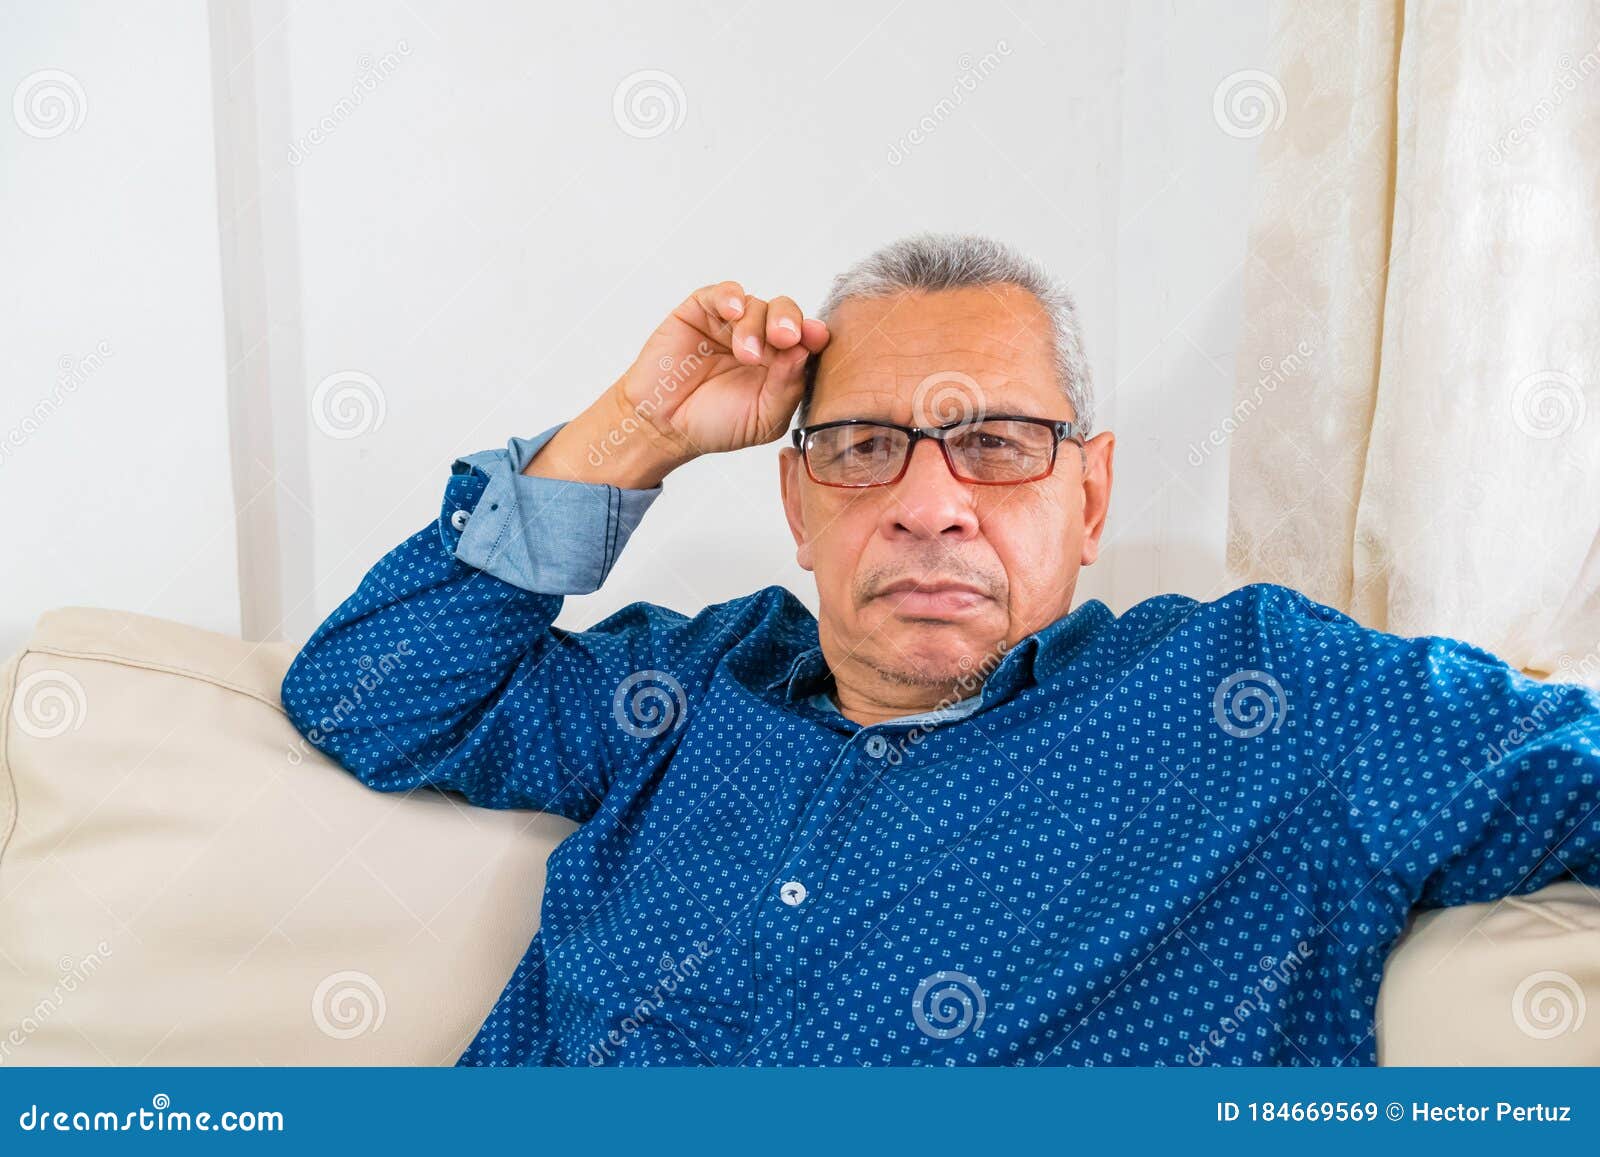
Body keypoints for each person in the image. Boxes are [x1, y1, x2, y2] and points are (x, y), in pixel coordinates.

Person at [282, 232, 1600, 1066]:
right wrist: (637, 426)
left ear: (1090, 497)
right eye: (862, 447)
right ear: (800, 507)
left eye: (997, 443)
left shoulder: (1260, 696)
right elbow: (373, 694)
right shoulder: (688, 688)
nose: (927, 502)